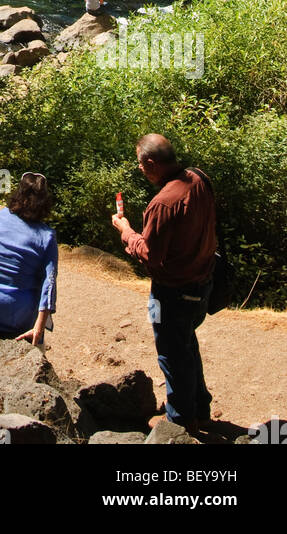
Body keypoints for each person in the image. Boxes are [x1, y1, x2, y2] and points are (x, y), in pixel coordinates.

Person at [111, 133, 217, 435]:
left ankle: (180, 420)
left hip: (171, 291)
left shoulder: (162, 204)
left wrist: (126, 230)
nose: (140, 171)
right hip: (202, 282)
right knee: (185, 344)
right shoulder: (199, 178)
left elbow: (151, 256)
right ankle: (199, 407)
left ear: (152, 163)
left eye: (141, 166)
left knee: (171, 351)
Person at [0, 172, 58, 344]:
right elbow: (49, 283)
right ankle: (35, 343)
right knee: (38, 279)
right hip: (17, 316)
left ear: (18, 193)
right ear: (45, 202)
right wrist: (39, 327)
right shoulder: (47, 236)